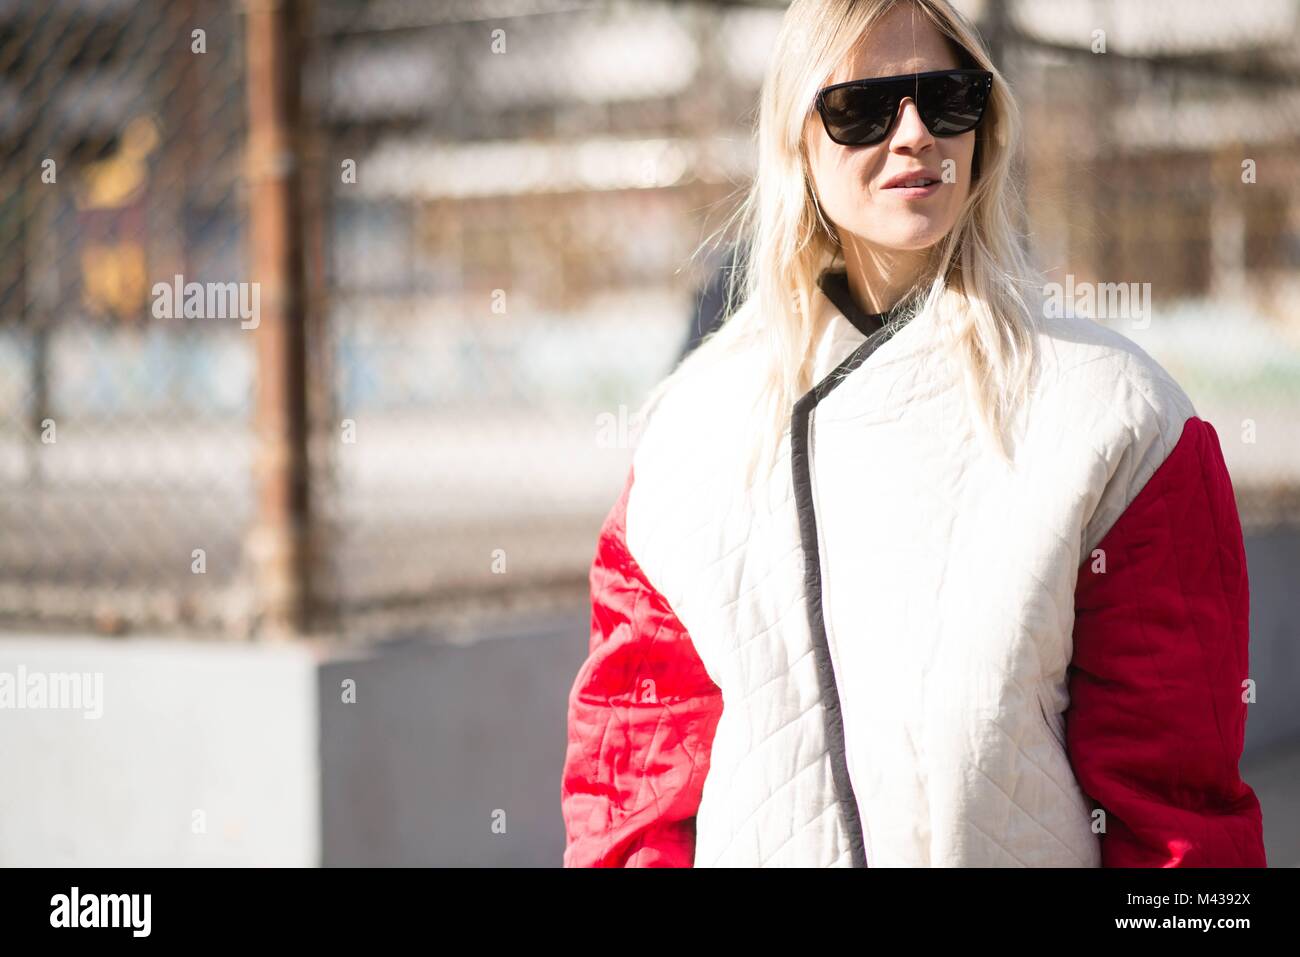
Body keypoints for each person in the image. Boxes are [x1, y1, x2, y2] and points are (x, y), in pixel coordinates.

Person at [560, 0, 1266, 867]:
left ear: (987, 122)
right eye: (863, 106)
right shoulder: (691, 434)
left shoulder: (1122, 418)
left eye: (948, 98)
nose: (915, 135)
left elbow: (1180, 825)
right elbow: (633, 797)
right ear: (795, 139)